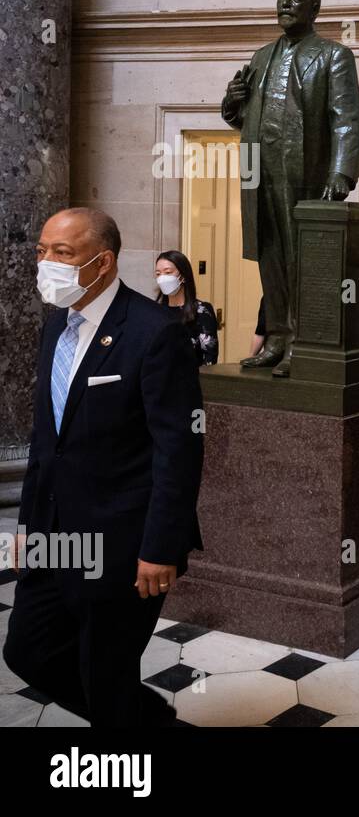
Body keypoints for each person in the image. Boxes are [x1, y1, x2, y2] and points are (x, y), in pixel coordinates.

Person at [4, 208, 204, 727]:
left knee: (105, 673)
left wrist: (161, 548)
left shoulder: (155, 332)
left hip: (123, 544)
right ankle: (149, 723)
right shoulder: (56, 328)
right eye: (42, 252)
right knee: (27, 650)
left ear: (102, 262)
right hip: (53, 537)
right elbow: (46, 441)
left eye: (62, 253)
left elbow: (177, 453)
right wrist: (28, 528)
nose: (47, 263)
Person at [221, 0, 359, 378]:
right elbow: (240, 116)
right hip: (256, 168)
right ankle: (277, 337)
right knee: (269, 254)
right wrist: (231, 104)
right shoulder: (261, 57)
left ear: (313, 8)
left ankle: (303, 343)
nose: (285, 3)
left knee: (301, 257)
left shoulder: (333, 56)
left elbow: (347, 121)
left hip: (303, 170)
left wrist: (341, 173)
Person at [154, 250, 220, 366]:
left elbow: (210, 358)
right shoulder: (156, 311)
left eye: (168, 272)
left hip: (192, 379)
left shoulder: (201, 310)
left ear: (183, 275)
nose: (162, 278)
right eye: (158, 274)